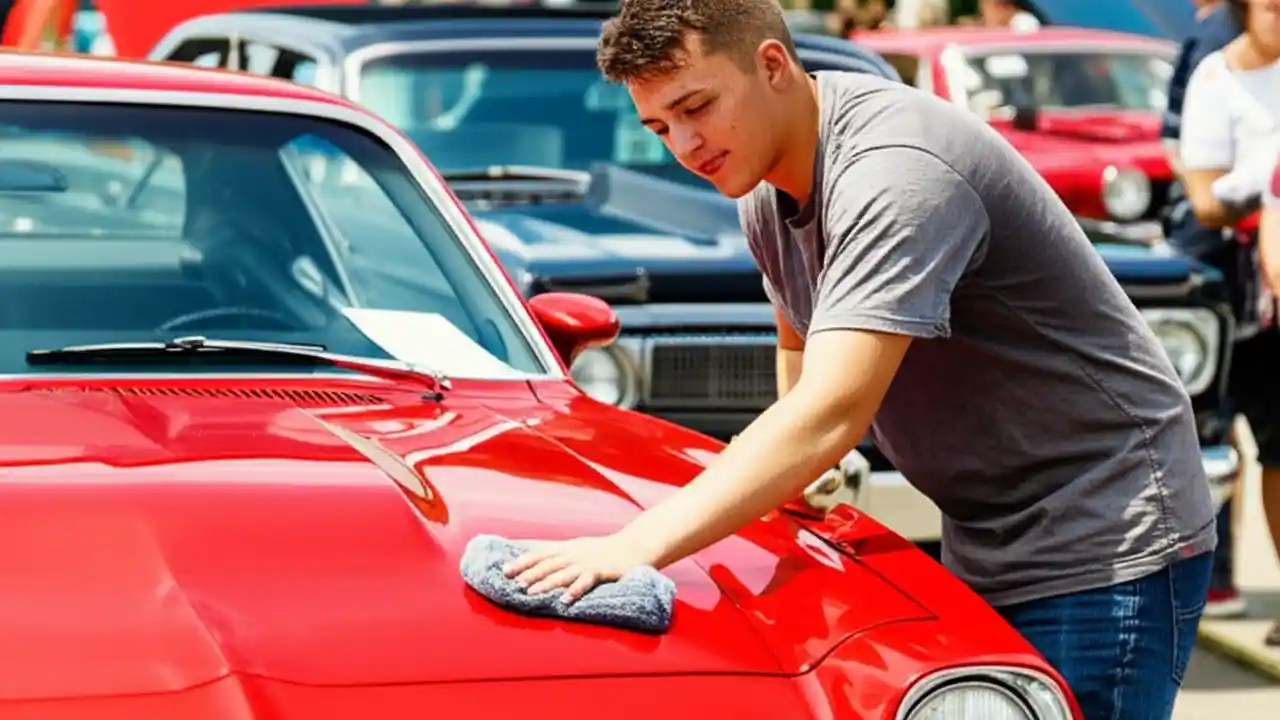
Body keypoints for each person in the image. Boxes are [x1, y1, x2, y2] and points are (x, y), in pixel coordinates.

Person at [502, 1, 1216, 717]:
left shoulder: (895, 172)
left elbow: (831, 410)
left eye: (697, 106)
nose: (685, 145)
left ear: (772, 65)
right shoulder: (764, 185)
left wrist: (633, 544)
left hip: (1106, 526)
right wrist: (797, 480)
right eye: (660, 127)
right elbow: (801, 355)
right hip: (989, 528)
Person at [1178, 0, 1280, 640]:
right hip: (1229, 281)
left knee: (1277, 444)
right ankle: (1207, 575)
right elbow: (1203, 199)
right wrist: (1263, 179)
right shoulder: (1216, 77)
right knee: (1214, 438)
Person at [1160, 0, 1249, 619]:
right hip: (1218, 253)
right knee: (1207, 420)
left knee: (1208, 419)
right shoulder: (1218, 46)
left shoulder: (1214, 31)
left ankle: (1213, 573)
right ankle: (1212, 570)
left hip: (1224, 261)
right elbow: (1183, 156)